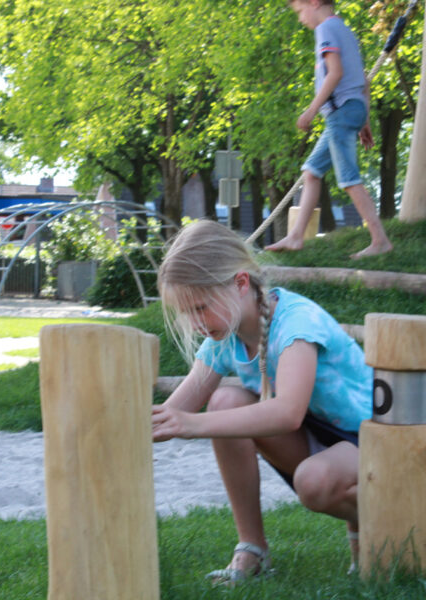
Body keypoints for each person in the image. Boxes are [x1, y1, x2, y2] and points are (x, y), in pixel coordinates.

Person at [151, 219, 371, 584]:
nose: (195, 324)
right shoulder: (225, 335)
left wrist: (190, 426)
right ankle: (252, 548)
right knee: (224, 402)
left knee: (314, 481)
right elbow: (177, 410)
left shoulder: (296, 323)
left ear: (240, 283)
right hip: (323, 441)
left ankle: (383, 521)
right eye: (186, 313)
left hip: (372, 441)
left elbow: (287, 413)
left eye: (201, 308)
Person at [266, 0, 392, 259]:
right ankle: (296, 236)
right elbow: (363, 82)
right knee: (311, 173)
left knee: (348, 178)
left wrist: (311, 110)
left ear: (313, 3)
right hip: (351, 108)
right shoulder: (344, 30)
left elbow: (334, 74)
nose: (301, 19)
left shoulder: (325, 29)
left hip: (340, 112)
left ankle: (380, 240)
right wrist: (364, 120)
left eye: (300, 11)